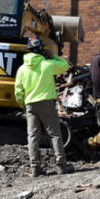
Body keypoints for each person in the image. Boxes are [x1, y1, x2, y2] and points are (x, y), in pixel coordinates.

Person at [14, 36, 74, 177]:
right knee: (54, 134)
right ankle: (61, 165)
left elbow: (18, 91)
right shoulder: (47, 65)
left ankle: (35, 167)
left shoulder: (22, 69)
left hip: (30, 104)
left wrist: (23, 104)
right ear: (41, 50)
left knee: (33, 135)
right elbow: (65, 66)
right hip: (46, 103)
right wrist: (52, 55)